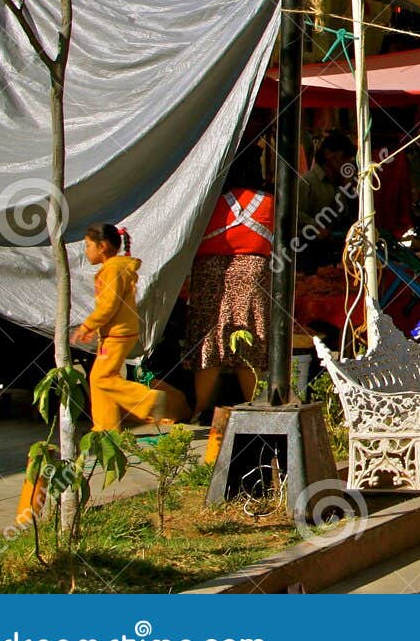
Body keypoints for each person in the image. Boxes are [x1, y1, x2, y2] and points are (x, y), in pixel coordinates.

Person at [185, 151, 274, 420]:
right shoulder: (269, 202)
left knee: (209, 340)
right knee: (251, 338)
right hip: (253, 270)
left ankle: (200, 410)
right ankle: (259, 409)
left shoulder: (209, 201)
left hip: (210, 270)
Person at [74, 224, 184, 431]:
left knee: (102, 377)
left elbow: (109, 304)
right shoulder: (115, 268)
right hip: (116, 333)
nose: (86, 250)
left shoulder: (113, 270)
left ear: (103, 246)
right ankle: (106, 428)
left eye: (88, 245)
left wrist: (88, 325)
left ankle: (149, 400)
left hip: (117, 334)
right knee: (100, 379)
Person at [298, 133, 357, 266]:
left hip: (334, 255)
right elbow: (295, 214)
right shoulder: (307, 182)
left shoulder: (340, 184)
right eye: (344, 158)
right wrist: (315, 225)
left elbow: (346, 217)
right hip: (308, 255)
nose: (347, 163)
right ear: (328, 155)